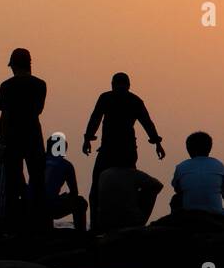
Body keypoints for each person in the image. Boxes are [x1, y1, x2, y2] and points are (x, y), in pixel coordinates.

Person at [82, 72, 164, 230]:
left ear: (112, 85)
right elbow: (147, 122)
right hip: (127, 151)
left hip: (108, 150)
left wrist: (88, 138)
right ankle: (130, 224)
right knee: (129, 186)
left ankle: (95, 226)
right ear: (128, 86)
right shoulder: (135, 100)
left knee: (97, 188)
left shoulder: (106, 98)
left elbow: (95, 118)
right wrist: (157, 143)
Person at [0, 48, 47, 224]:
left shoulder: (6, 86)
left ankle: (13, 223)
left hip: (12, 138)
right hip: (33, 136)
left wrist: (2, 143)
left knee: (12, 183)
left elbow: (4, 117)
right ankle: (39, 221)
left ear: (14, 65)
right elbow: (39, 110)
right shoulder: (40, 85)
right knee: (37, 180)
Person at [170, 131, 224, 217]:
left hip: (189, 215)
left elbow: (178, 190)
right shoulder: (218, 165)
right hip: (216, 214)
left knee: (175, 198)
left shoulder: (181, 167)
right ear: (209, 148)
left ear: (188, 149)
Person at [42, 135, 88, 232]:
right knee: (80, 202)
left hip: (31, 204)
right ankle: (81, 234)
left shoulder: (37, 161)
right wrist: (64, 197)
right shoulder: (66, 165)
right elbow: (74, 193)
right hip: (50, 206)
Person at [96, 166, 164, 232]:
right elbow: (158, 185)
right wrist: (139, 193)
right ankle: (139, 222)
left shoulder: (104, 174)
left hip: (105, 223)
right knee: (151, 188)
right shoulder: (132, 173)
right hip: (130, 222)